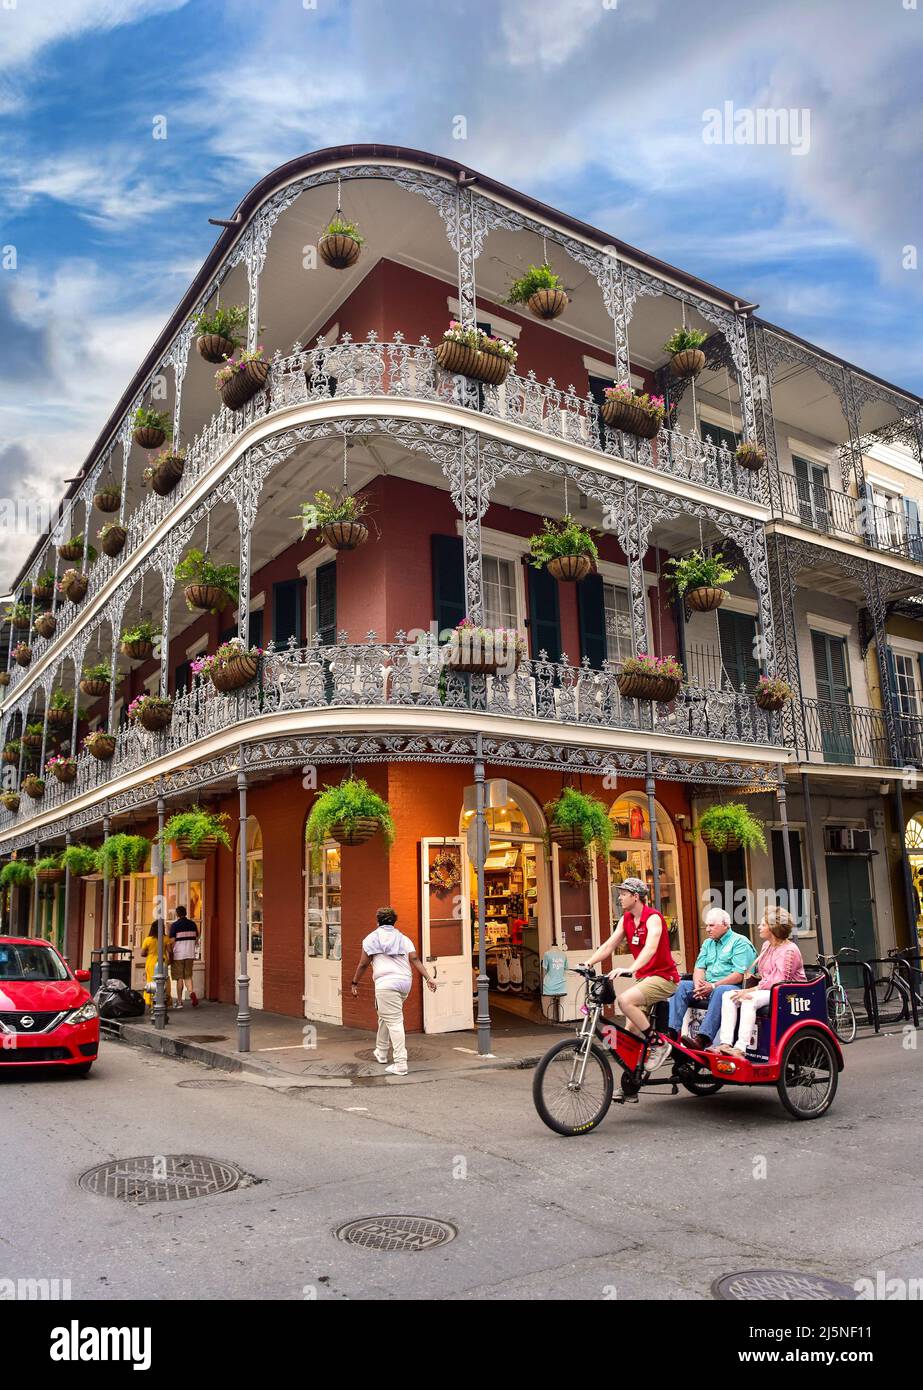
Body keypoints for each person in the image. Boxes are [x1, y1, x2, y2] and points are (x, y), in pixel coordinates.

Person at [585, 877, 679, 1102]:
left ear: (635, 896)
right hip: (645, 980)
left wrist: (631, 968)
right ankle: (631, 1087)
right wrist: (587, 963)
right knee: (630, 1036)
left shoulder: (653, 918)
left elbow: (651, 947)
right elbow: (609, 945)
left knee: (624, 1001)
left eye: (623, 893)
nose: (619, 897)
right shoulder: (626, 919)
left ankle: (658, 1043)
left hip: (663, 978)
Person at [350, 906, 436, 1075]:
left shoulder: (371, 939)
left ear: (377, 921)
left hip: (386, 984)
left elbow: (363, 964)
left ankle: (400, 1063)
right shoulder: (403, 939)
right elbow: (415, 959)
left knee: (394, 1021)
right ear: (395, 921)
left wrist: (354, 982)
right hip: (405, 982)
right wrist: (428, 977)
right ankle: (381, 1052)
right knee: (386, 1016)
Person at [716, 905, 806, 1055]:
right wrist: (750, 987)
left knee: (749, 999)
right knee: (728, 996)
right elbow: (763, 975)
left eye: (763, 924)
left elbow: (779, 980)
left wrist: (749, 991)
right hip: (768, 989)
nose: (759, 927)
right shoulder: (766, 946)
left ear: (773, 928)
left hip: (787, 992)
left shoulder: (789, 950)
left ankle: (740, 1047)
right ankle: (725, 1043)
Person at [668, 907, 757, 1049]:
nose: (707, 929)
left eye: (712, 925)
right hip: (709, 986)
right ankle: (670, 1034)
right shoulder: (707, 943)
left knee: (720, 990)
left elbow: (739, 975)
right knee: (682, 985)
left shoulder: (740, 942)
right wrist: (698, 986)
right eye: (707, 925)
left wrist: (713, 986)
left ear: (725, 925)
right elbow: (699, 967)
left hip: (734, 987)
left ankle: (702, 1038)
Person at [167, 905, 199, 1009]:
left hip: (178, 955)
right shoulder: (193, 924)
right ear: (185, 913)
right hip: (190, 953)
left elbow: (172, 941)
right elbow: (196, 937)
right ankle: (191, 992)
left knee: (179, 978)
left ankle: (180, 1001)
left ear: (177, 914)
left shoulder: (175, 925)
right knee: (188, 976)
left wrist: (168, 948)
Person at [140, 919, 172, 1017]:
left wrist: (149, 952)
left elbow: (142, 953)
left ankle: (151, 1003)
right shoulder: (166, 938)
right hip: (162, 961)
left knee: (151, 982)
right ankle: (164, 1001)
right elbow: (170, 951)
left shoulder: (148, 939)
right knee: (165, 982)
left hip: (151, 962)